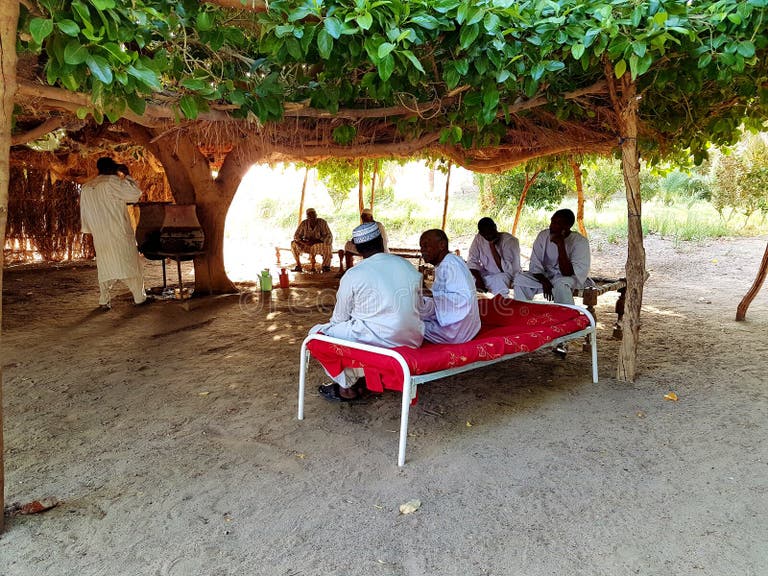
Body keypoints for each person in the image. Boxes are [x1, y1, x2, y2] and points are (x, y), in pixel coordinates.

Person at [310, 221, 424, 401]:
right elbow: (419, 306)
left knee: (316, 335)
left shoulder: (354, 274)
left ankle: (347, 387)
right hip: (412, 339)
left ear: (358, 249)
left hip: (378, 340)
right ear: (381, 241)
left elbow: (339, 318)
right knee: (353, 330)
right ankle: (362, 380)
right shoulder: (407, 266)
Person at [79, 157, 148, 310]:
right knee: (130, 265)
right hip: (119, 232)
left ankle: (104, 300)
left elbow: (84, 212)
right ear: (112, 168)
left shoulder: (87, 187)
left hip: (101, 235)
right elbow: (135, 194)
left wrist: (90, 229)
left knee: (105, 267)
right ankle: (139, 298)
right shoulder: (112, 182)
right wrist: (127, 175)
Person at [514, 208, 590, 305]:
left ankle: (565, 315)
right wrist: (545, 282)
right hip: (546, 277)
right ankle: (524, 313)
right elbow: (535, 266)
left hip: (569, 279)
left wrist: (560, 245)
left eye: (557, 223)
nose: (551, 226)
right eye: (552, 221)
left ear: (568, 226)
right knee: (520, 279)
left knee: (561, 284)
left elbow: (567, 272)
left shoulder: (580, 242)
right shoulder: (543, 236)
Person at [418, 229, 481, 344]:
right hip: (461, 325)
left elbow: (462, 300)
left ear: (442, 245)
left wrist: (425, 291)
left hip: (456, 331)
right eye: (421, 247)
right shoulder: (449, 262)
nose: (422, 251)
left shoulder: (450, 264)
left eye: (426, 246)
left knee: (409, 324)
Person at [466, 217, 521, 297]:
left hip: (507, 275)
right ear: (481, 233)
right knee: (467, 276)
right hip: (488, 274)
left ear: (495, 227)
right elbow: (472, 261)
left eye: (490, 233)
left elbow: (504, 269)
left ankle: (502, 301)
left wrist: (492, 246)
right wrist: (479, 280)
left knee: (501, 280)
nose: (488, 236)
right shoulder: (479, 238)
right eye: (485, 235)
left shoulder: (510, 241)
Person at [291, 208, 334, 272]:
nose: (312, 218)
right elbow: (296, 236)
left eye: (313, 216)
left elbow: (329, 236)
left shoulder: (322, 222)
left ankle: (326, 266)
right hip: (306, 245)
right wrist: (304, 242)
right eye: (310, 216)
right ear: (307, 217)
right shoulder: (304, 223)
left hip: (319, 245)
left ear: (316, 216)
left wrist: (315, 241)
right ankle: (298, 265)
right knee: (293, 244)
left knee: (328, 245)